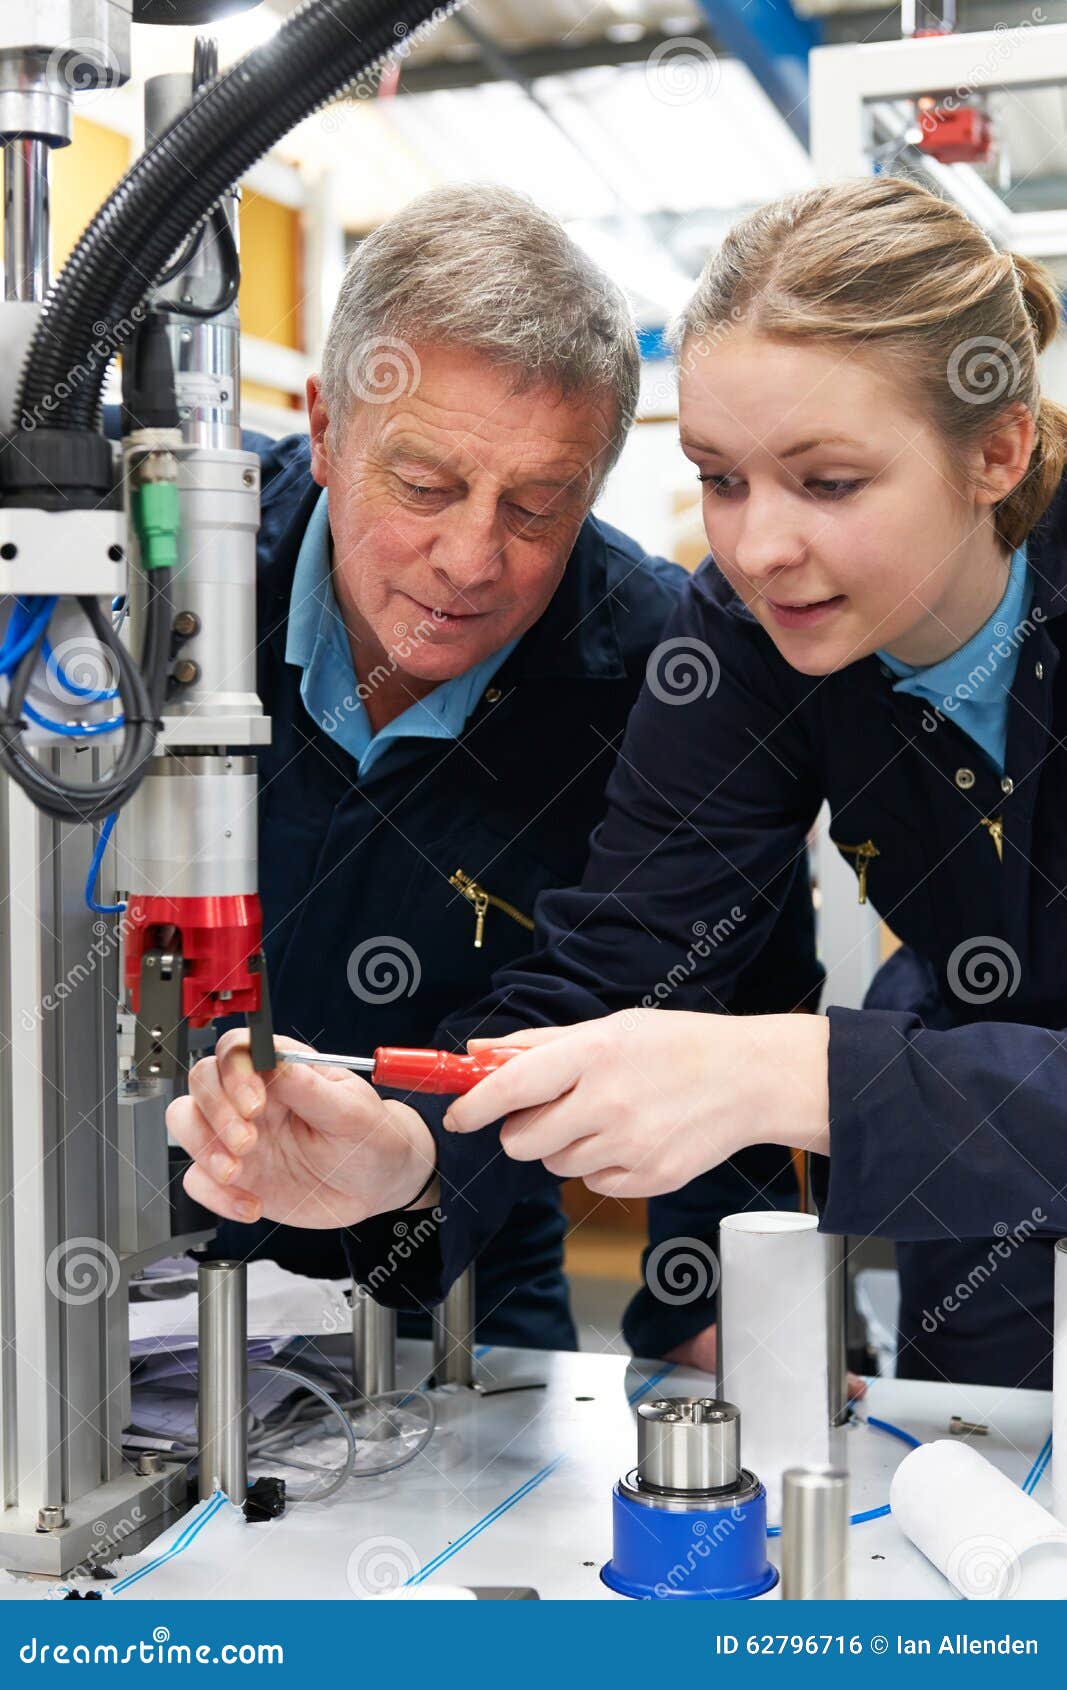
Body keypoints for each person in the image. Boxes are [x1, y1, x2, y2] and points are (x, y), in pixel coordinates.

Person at [439, 174, 1067, 1391]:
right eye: (719, 477)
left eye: (825, 483)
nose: (756, 544)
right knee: (970, 1450)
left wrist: (796, 1074)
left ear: (996, 448)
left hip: (942, 1075)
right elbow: (624, 961)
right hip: (958, 1075)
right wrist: (408, 1140)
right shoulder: (743, 632)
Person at [167, 182, 818, 1353]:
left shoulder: (664, 675)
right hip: (116, 1239)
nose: (470, 559)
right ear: (323, 428)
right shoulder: (167, 574)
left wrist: (718, 1322)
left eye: (535, 506)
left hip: (456, 1266)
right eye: (422, 487)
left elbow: (729, 1003)